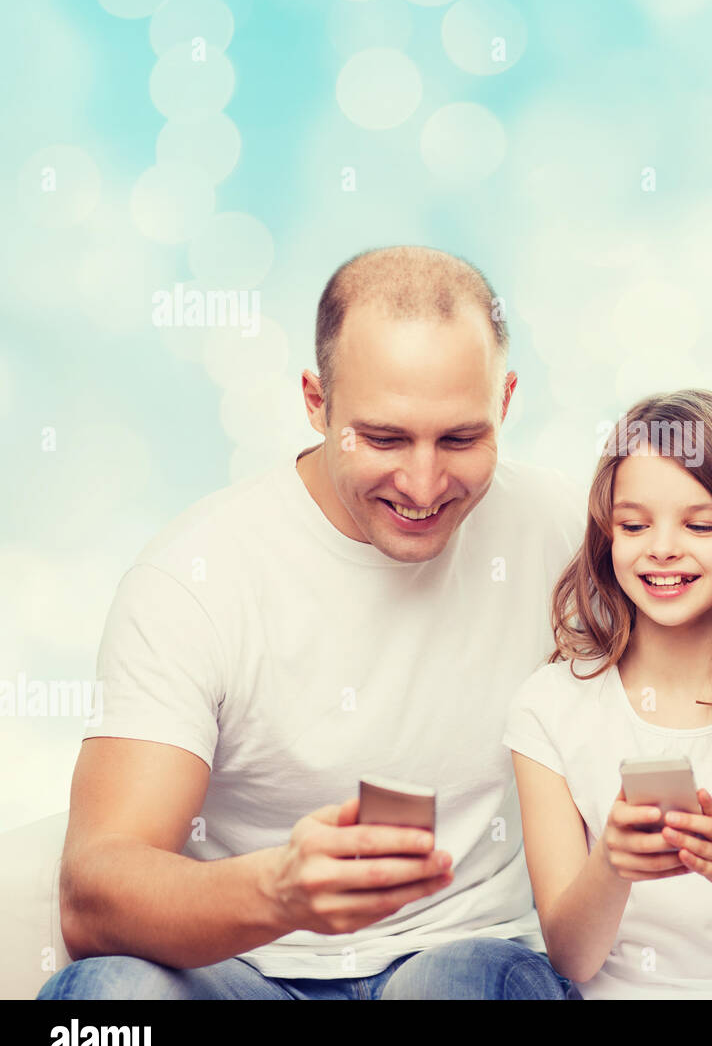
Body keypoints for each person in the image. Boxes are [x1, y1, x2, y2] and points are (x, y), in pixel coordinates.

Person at [38, 246, 585, 1000]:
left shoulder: (566, 532)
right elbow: (93, 893)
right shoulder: (193, 577)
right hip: (242, 971)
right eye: (385, 439)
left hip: (458, 958)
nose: (424, 485)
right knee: (106, 996)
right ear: (316, 401)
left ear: (506, 401)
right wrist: (280, 893)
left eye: (461, 438)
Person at [504, 389, 712, 998]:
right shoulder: (550, 706)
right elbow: (572, 959)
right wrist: (611, 862)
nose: (661, 547)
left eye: (700, 524)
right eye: (634, 525)